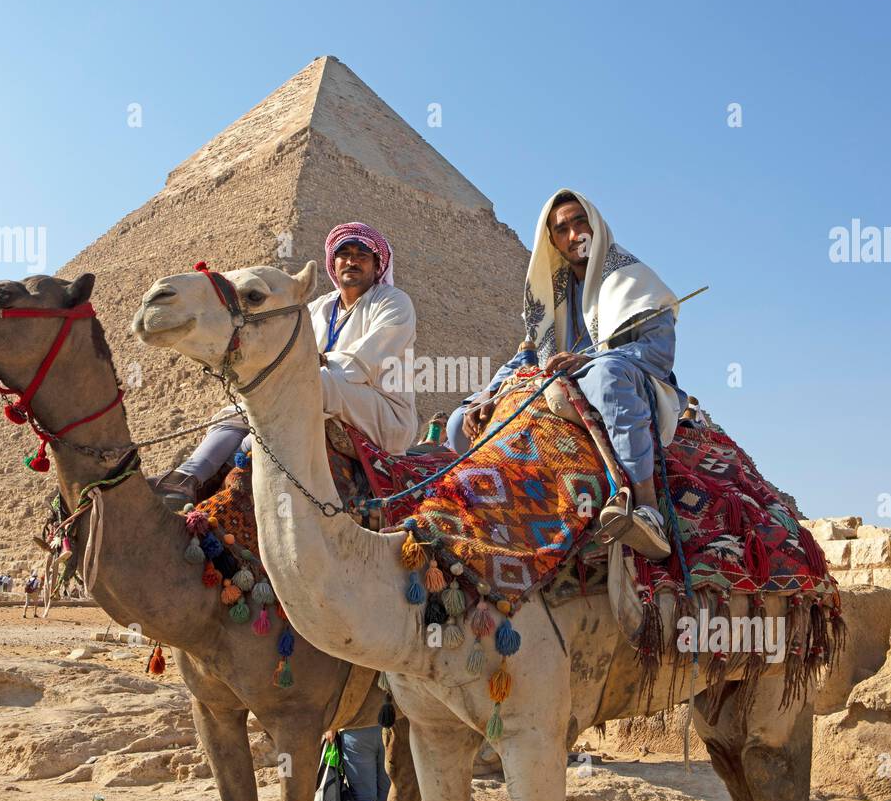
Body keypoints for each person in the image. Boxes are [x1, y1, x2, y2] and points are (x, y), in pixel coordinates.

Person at [446, 189, 686, 561]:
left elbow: (660, 351)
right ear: (553, 241)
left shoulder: (631, 278)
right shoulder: (552, 295)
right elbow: (526, 355)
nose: (575, 234)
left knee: (606, 375)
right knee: (459, 422)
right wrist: (486, 395)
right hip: (559, 385)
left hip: (630, 381)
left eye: (580, 222)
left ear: (597, 226)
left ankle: (647, 509)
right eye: (562, 229)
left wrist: (588, 361)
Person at [153, 223, 420, 508]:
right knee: (243, 404)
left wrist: (305, 366)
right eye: (345, 254)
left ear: (377, 265)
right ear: (334, 262)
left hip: (381, 408)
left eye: (362, 255)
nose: (352, 261)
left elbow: (365, 361)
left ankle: (233, 463)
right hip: (312, 389)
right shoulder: (319, 307)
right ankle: (187, 476)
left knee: (300, 386)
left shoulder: (394, 302)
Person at [326, 725, 390, 801]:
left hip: (356, 730)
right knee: (388, 792)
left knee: (364, 797)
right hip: (390, 725)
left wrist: (331, 726)